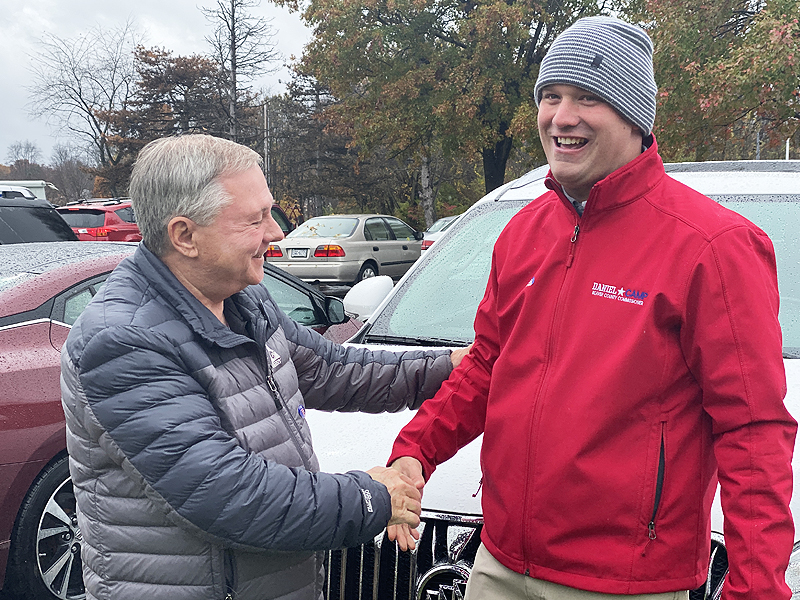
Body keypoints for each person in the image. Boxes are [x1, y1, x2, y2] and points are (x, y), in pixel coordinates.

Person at [388, 15, 797, 600]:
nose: (562, 117)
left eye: (588, 98)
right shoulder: (523, 231)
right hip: (498, 562)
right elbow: (486, 365)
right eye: (551, 96)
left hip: (624, 581)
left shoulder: (712, 246)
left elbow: (753, 429)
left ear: (634, 113)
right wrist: (415, 452)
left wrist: (756, 589)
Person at [60, 134, 466, 600]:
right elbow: (226, 494)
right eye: (255, 220)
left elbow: (332, 370)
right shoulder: (124, 343)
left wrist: (450, 367)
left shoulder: (244, 299)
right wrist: (371, 498)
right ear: (185, 236)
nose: (276, 233)